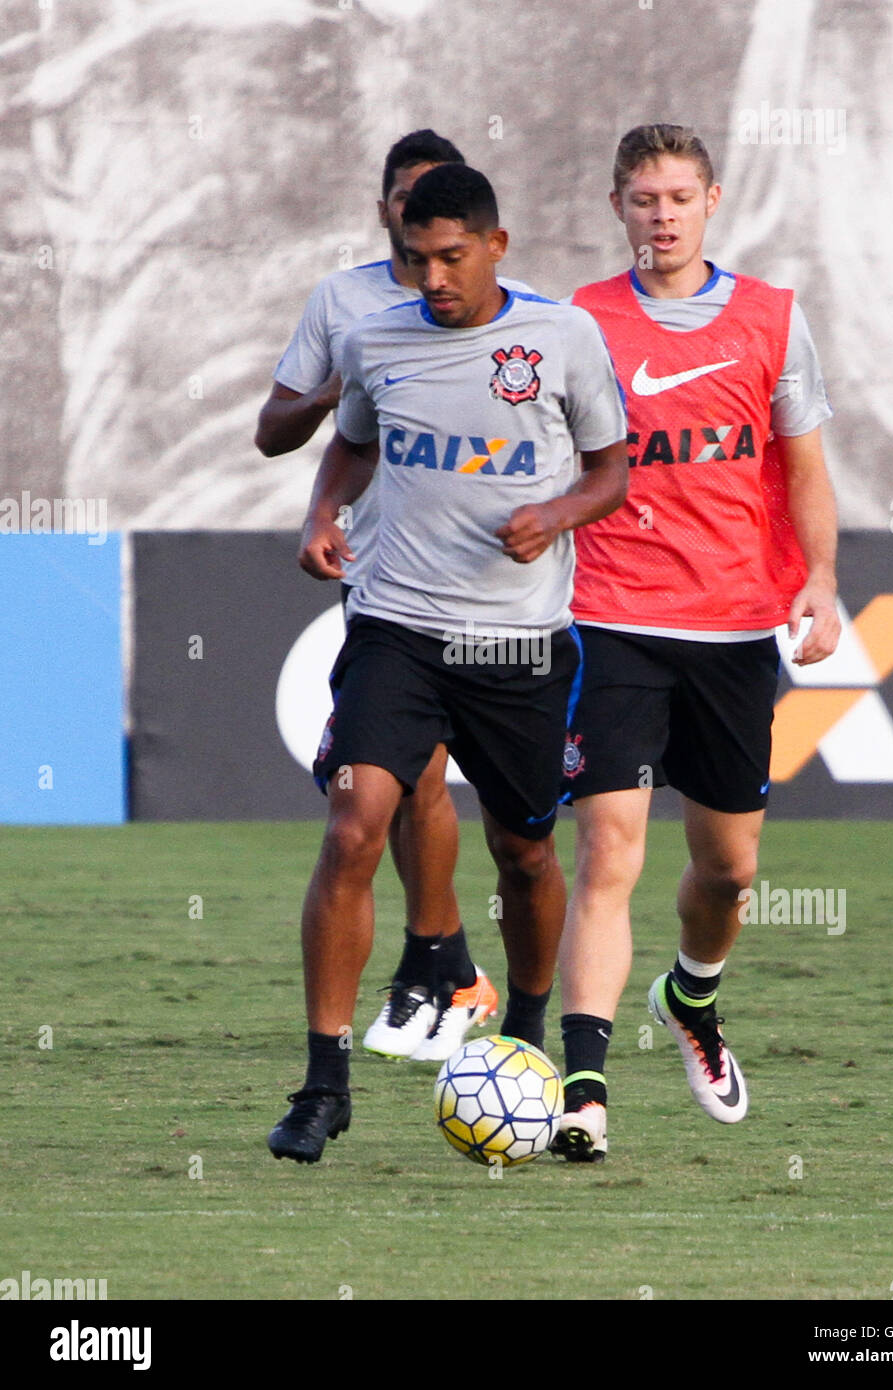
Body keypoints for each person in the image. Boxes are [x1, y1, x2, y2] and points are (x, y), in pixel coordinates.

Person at [267, 163, 628, 1162]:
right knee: (353, 827)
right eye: (417, 257)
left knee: (524, 853)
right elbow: (348, 444)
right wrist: (320, 512)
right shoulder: (374, 335)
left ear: (496, 246)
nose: (432, 277)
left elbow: (611, 470)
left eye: (452, 256)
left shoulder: (563, 338)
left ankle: (523, 1031)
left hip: (517, 641)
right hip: (396, 627)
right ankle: (324, 1081)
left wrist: (554, 513)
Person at [551, 123, 841, 1162]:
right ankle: (583, 1088)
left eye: (679, 196)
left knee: (728, 872)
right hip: (614, 616)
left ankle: (690, 999)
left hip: (730, 626)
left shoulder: (771, 318)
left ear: (711, 200)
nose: (661, 215)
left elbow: (803, 465)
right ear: (618, 205)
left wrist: (821, 580)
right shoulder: (581, 321)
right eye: (643, 198)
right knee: (608, 851)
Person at [256, 131, 533, 1062]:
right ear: (386, 211)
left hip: (484, 593)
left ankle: (445, 966)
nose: (425, 248)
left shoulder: (523, 318)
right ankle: (443, 965)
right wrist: (347, 382)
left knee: (451, 797)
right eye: (405, 205)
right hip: (376, 581)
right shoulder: (345, 305)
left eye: (442, 225)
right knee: (396, 787)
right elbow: (275, 430)